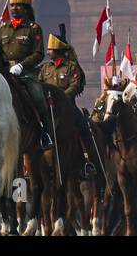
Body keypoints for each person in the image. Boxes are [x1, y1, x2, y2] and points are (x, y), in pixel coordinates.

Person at [0, 0, 53, 148]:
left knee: (38, 97)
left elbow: (38, 53)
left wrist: (21, 66)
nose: (14, 9)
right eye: (12, 5)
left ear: (26, 8)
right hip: (5, 72)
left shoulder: (33, 28)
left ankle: (45, 133)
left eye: (18, 5)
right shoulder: (3, 29)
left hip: (26, 73)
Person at [39, 29, 100, 176]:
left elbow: (76, 85)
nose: (48, 51)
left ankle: (88, 162)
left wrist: (60, 97)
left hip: (67, 107)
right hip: (47, 107)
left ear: (58, 49)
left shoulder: (72, 67)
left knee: (84, 127)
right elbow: (39, 83)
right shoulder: (45, 68)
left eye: (50, 49)